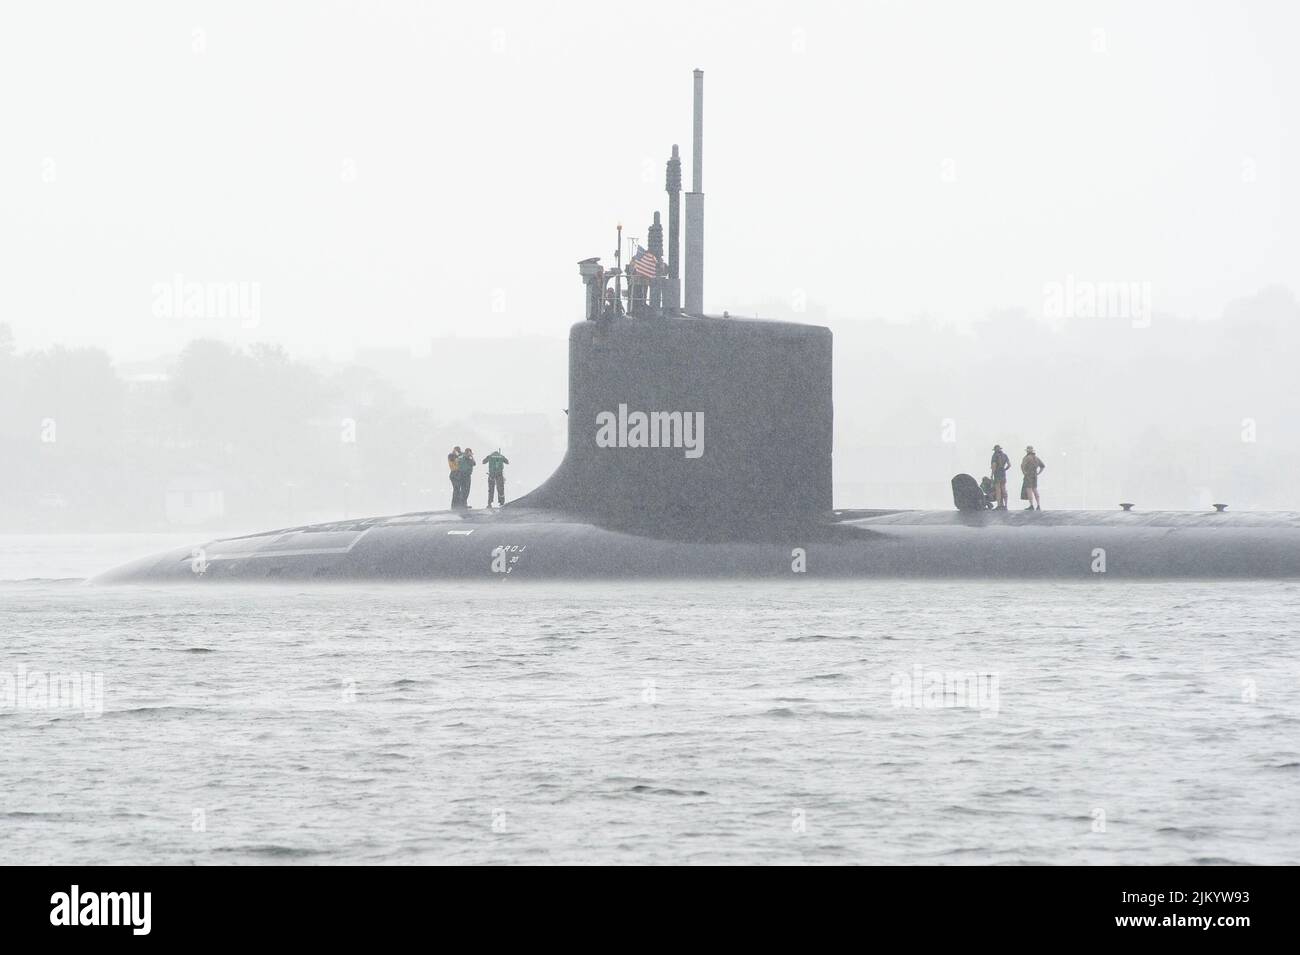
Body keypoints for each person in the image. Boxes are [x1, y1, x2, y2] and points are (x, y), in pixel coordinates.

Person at [1021, 445, 1046, 510]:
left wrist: (1024, 473)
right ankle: (1038, 505)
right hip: (1035, 475)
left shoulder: (1026, 458)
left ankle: (1031, 505)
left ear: (1027, 451)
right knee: (1035, 489)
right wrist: (1038, 473)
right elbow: (1042, 466)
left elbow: (1022, 466)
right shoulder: (1036, 458)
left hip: (1028, 475)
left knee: (1029, 490)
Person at [990, 444, 1011, 509]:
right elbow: (1009, 465)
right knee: (1004, 489)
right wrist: (1005, 469)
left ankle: (999, 505)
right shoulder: (1005, 455)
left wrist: (992, 474)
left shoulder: (994, 455)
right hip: (1003, 473)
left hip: (997, 473)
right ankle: (1005, 505)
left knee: (998, 490)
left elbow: (994, 465)